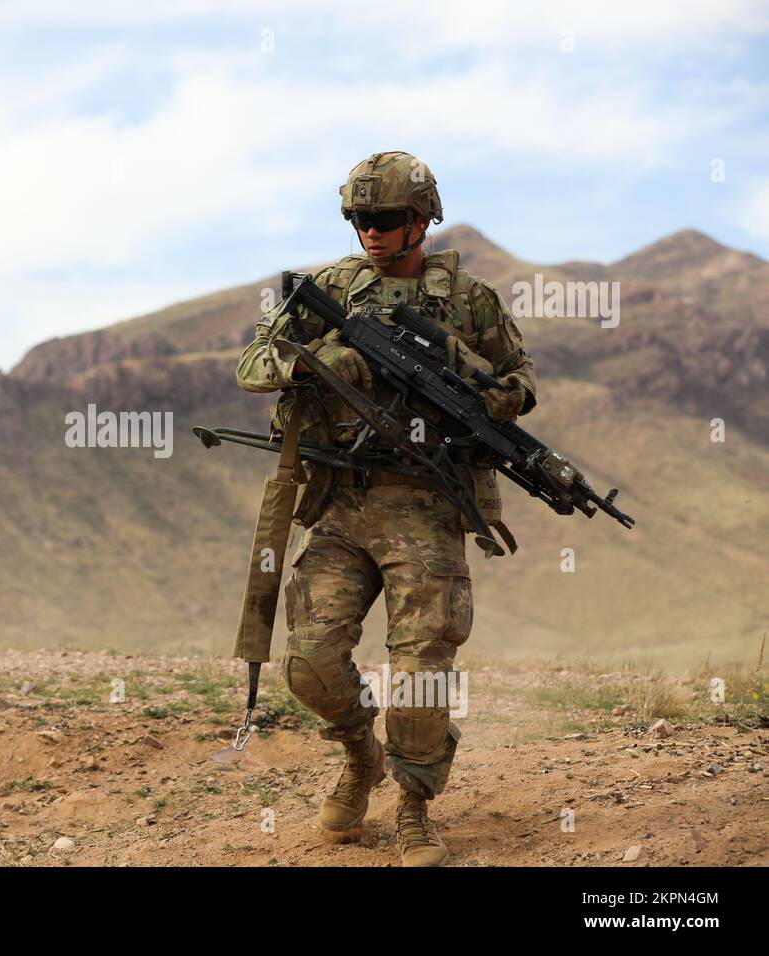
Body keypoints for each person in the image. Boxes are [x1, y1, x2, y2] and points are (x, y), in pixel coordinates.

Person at [236, 152, 535, 866]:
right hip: (342, 499)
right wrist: (322, 361)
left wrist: (489, 394)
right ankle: (359, 757)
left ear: (423, 220)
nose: (372, 232)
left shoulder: (470, 300)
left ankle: (414, 804)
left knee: (422, 668)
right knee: (309, 661)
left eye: (387, 219)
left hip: (426, 501)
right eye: (361, 219)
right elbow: (253, 366)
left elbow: (518, 383)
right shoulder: (328, 292)